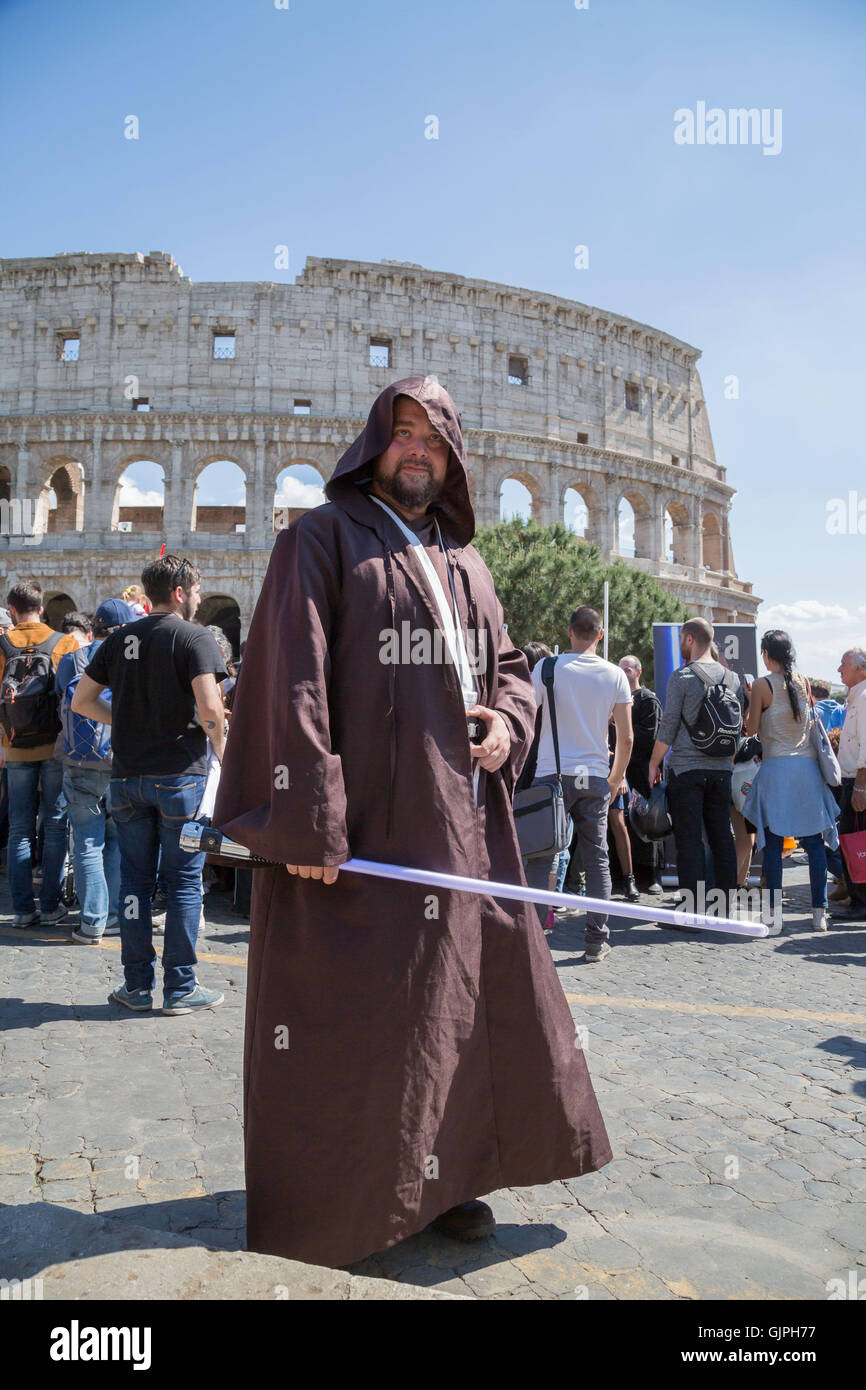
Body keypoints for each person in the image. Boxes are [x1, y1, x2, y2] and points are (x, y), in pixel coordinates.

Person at [213, 376, 612, 1268]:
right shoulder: (319, 540)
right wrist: (308, 821)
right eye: (400, 434)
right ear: (372, 446)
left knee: (457, 1009)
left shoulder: (466, 562)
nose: (415, 450)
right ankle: (348, 1196)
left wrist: (509, 722)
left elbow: (511, 666)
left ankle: (451, 1180)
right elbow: (292, 678)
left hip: (462, 828)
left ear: (455, 457)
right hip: (366, 837)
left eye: (432, 438)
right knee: (362, 1014)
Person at [72, 556, 229, 1013]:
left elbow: (83, 701)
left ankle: (136, 986)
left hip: (126, 778)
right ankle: (180, 988)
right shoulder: (195, 636)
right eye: (197, 591)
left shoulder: (119, 639)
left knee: (135, 883)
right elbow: (210, 709)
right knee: (183, 883)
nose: (199, 598)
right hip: (180, 776)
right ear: (180, 591)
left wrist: (123, 722)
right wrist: (225, 754)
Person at [523, 606, 633, 959]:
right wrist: (615, 780)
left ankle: (536, 941)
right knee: (597, 857)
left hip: (551, 773)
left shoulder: (548, 667)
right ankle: (596, 940)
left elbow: (527, 716)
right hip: (595, 776)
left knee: (541, 857)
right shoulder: (615, 675)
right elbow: (626, 738)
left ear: (569, 631)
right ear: (600, 635)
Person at [742, 630, 840, 933]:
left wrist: (749, 699)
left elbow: (751, 728)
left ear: (766, 655)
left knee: (772, 844)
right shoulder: (803, 681)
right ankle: (818, 911)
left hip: (777, 770)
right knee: (813, 843)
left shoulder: (761, 684)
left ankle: (773, 915)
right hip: (807, 771)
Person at [649, 617, 743, 922]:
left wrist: (654, 763)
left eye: (681, 639)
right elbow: (738, 729)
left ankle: (692, 909)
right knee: (721, 837)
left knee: (689, 839)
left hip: (688, 770)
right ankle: (725, 907)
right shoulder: (733, 679)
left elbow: (669, 726)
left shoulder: (683, 677)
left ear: (689, 639)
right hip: (721, 771)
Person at [55, 599, 136, 944]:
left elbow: (62, 696)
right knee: (117, 841)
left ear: (95, 629)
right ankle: (117, 917)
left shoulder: (74, 658)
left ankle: (91, 923)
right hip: (122, 761)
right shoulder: (134, 659)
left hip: (79, 761)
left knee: (87, 842)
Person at [0, 582, 79, 927]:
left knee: (19, 828)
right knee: (56, 825)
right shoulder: (65, 643)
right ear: (42, 608)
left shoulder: (2, 645)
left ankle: (21, 909)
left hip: (15, 746)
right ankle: (50, 906)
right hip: (55, 745)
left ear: (11, 610)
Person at [618, 655, 663, 894]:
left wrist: (623, 728)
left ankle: (653, 876)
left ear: (638, 672)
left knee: (648, 822)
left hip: (642, 772)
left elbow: (650, 735)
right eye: (621, 669)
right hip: (619, 770)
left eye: (628, 669)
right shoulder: (616, 698)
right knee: (622, 823)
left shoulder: (648, 699)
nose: (624, 672)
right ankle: (625, 875)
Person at [828, 648, 866, 924]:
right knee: (851, 839)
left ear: (860, 668)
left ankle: (861, 901)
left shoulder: (863, 698)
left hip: (858, 781)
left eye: (844, 665)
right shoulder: (857, 697)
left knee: (856, 841)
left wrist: (861, 786)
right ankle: (857, 898)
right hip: (852, 779)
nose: (839, 670)